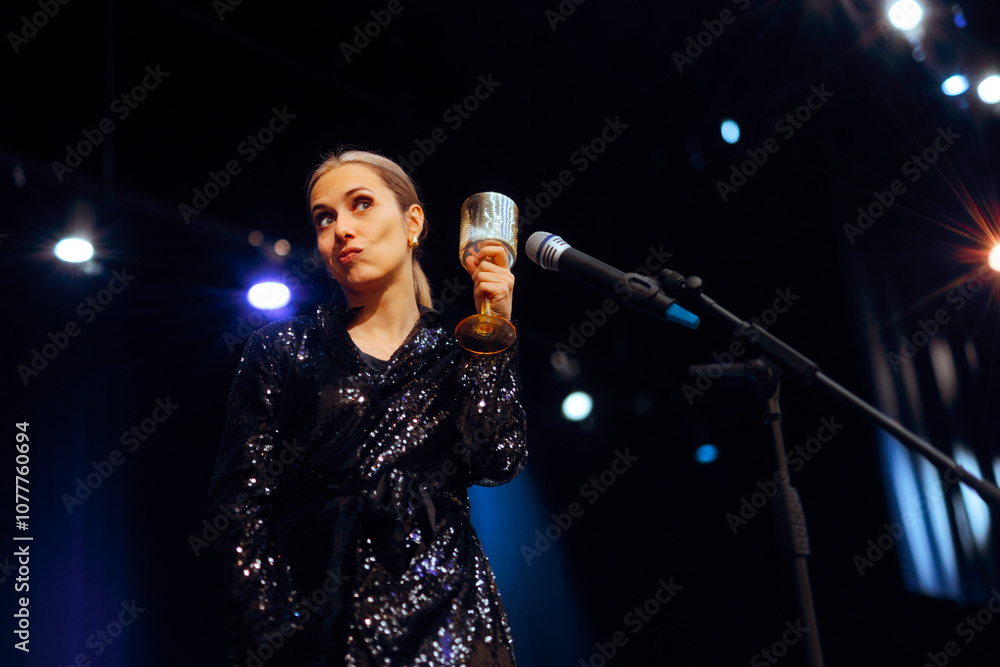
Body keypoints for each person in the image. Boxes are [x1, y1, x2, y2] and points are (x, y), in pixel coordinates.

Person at [207, 148, 527, 666]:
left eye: (361, 204)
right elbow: (238, 506)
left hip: (451, 624)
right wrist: (272, 633)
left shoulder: (456, 356)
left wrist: (493, 340)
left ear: (412, 222)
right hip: (319, 623)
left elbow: (497, 460)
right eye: (324, 218)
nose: (341, 229)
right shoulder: (284, 347)